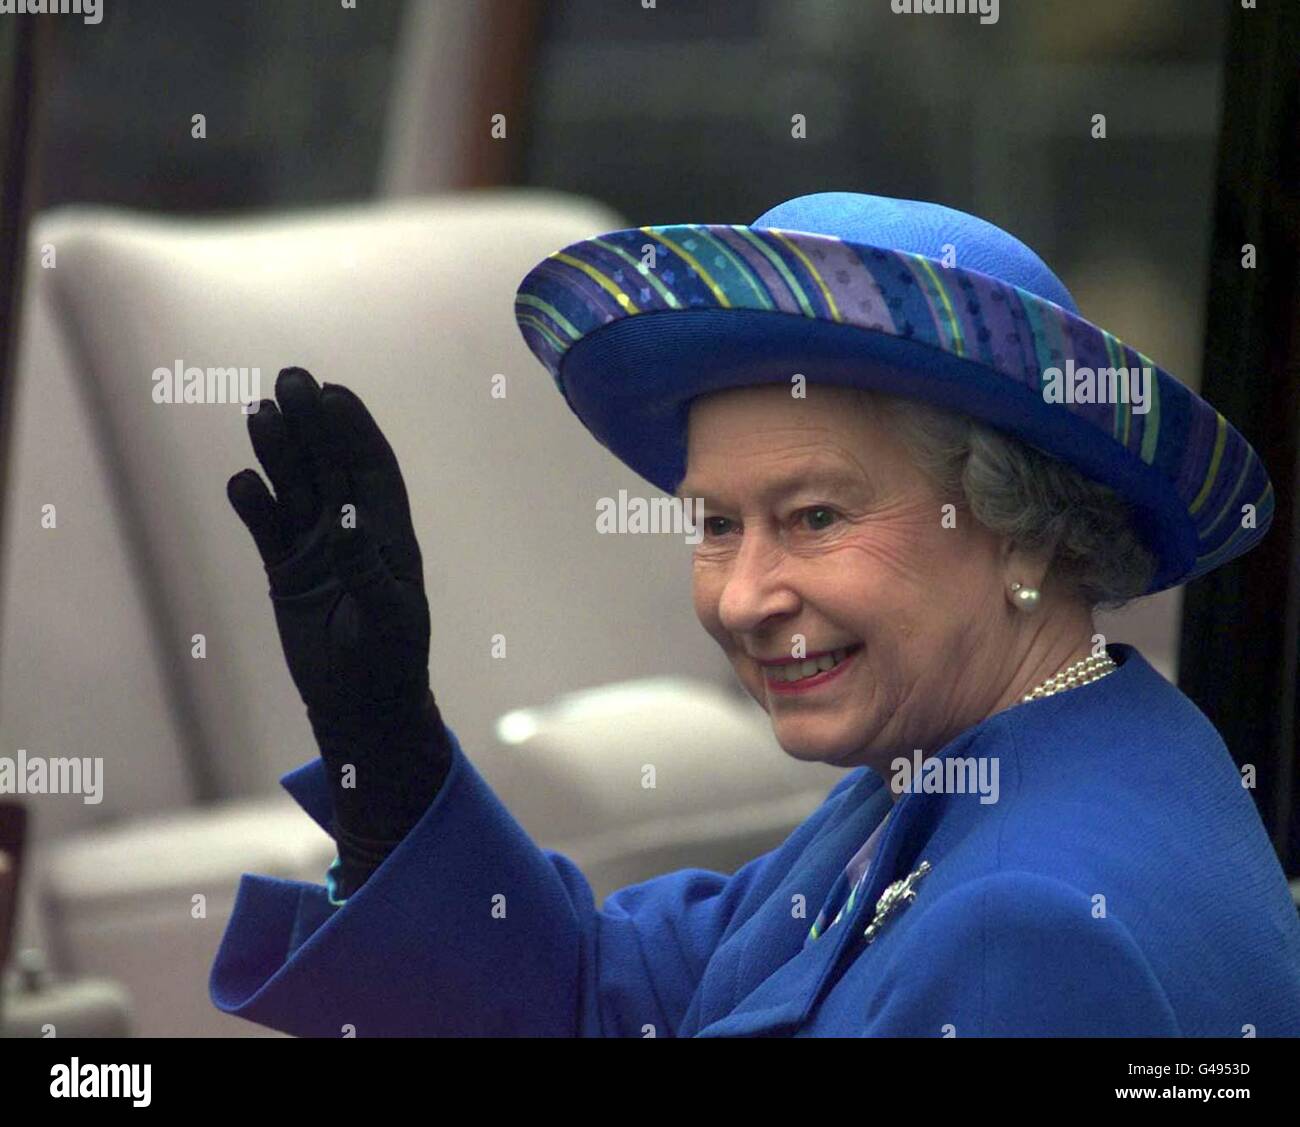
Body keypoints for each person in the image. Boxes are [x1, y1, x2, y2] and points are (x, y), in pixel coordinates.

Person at [210, 191, 1300, 1036]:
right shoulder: (972, 768)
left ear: (1021, 530)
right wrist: (386, 755)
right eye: (718, 523)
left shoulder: (1025, 930)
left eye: (816, 514)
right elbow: (608, 997)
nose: (742, 596)